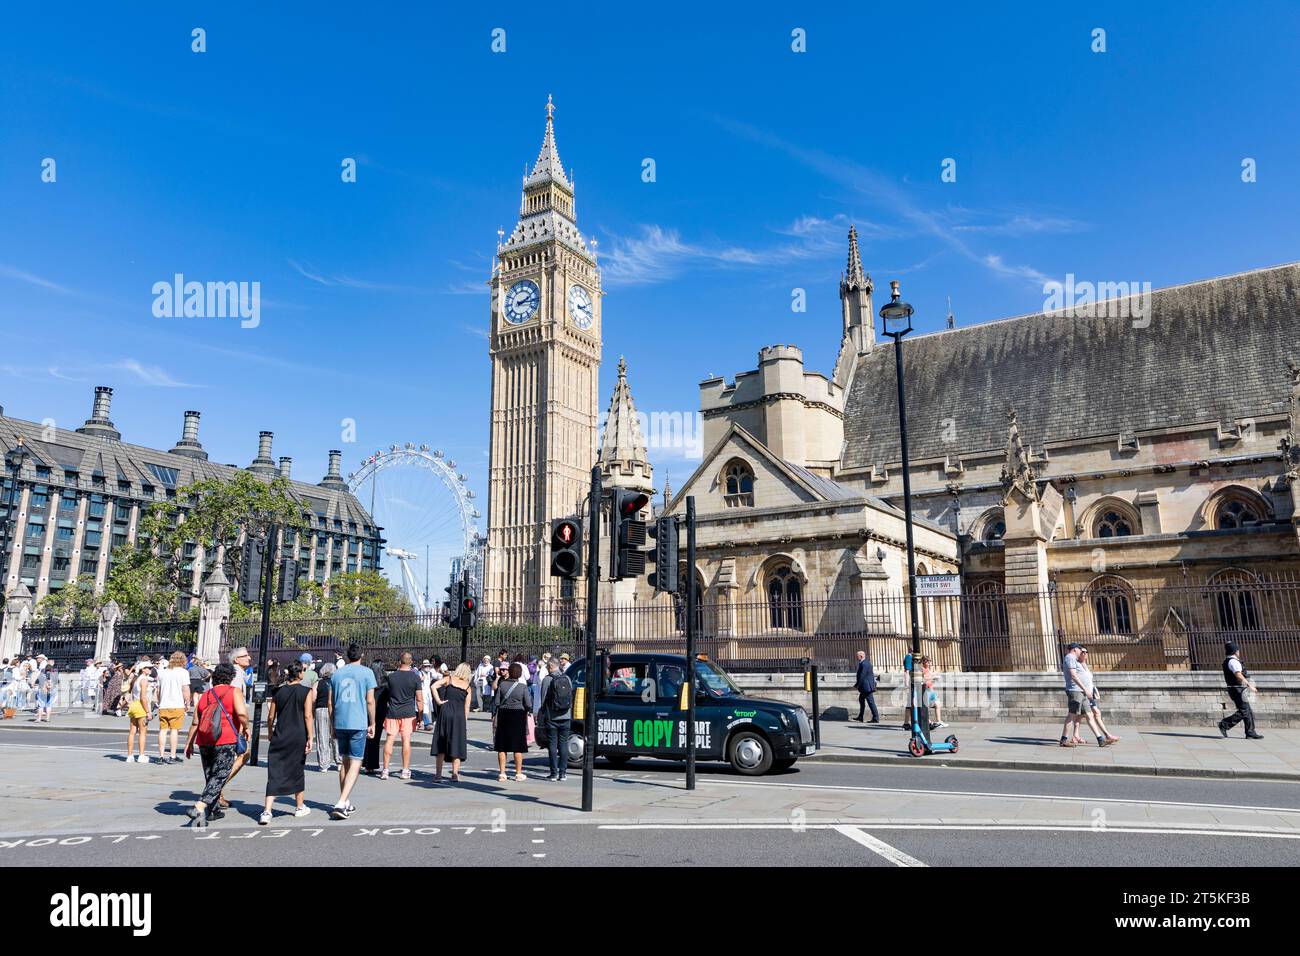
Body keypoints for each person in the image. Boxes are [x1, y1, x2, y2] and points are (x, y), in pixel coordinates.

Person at [184, 663, 247, 828]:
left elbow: (195, 722)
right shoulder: (234, 691)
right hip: (224, 739)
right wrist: (246, 727)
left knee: (210, 775)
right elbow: (241, 713)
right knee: (220, 775)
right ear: (231, 677)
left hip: (204, 740)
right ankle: (200, 806)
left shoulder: (206, 695)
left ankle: (211, 812)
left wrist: (189, 743)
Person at [261, 660, 315, 824]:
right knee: (297, 769)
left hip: (280, 734)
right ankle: (299, 807)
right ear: (299, 673)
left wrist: (270, 732)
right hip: (298, 735)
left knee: (274, 771)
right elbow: (307, 716)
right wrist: (310, 737)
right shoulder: (306, 691)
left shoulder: (278, 691)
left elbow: (271, 716)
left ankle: (267, 811)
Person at [329, 643, 377, 820]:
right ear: (362, 655)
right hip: (357, 720)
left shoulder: (337, 674)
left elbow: (331, 703)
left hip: (341, 719)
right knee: (356, 761)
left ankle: (346, 800)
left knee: (345, 761)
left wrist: (332, 725)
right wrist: (372, 722)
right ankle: (341, 802)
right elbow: (370, 701)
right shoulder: (367, 673)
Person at [217, 646, 254, 807]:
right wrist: (244, 725)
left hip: (224, 721)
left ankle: (217, 790)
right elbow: (234, 699)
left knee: (224, 760)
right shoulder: (237, 674)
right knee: (244, 754)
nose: (249, 658)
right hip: (232, 722)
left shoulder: (235, 672)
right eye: (245, 656)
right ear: (236, 660)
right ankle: (216, 788)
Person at [380, 653, 422, 780]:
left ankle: (385, 770)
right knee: (406, 741)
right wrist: (420, 716)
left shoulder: (391, 677)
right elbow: (419, 699)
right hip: (408, 713)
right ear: (411, 662)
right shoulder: (415, 677)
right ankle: (405, 770)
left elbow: (386, 696)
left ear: (399, 662)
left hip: (393, 712)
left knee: (389, 740)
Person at [431, 663, 471, 782]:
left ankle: (438, 775)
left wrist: (438, 701)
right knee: (456, 744)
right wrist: (464, 721)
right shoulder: (467, 687)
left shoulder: (448, 679)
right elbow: (467, 707)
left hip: (445, 711)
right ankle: (454, 774)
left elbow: (433, 686)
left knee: (441, 743)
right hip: (459, 715)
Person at [1070, 648, 1119, 746]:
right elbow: (1074, 678)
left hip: (1090, 693)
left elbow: (1088, 680)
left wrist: (1094, 690)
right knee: (1094, 713)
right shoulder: (1076, 664)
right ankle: (1106, 735)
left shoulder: (1085, 665)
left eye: (1086, 652)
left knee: (1079, 716)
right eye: (1082, 652)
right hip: (1083, 693)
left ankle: (1076, 736)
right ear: (1078, 653)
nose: (1084, 653)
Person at [493, 662, 531, 782]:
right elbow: (528, 704)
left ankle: (502, 773)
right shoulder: (522, 687)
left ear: (509, 672)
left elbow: (497, 702)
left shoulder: (502, 685)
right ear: (519, 674)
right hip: (518, 716)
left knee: (502, 746)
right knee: (517, 746)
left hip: (504, 715)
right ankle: (518, 773)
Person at [1218, 641, 1264, 739]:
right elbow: (1238, 675)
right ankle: (1224, 724)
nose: (1239, 652)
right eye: (1238, 650)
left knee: (1247, 710)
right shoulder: (1233, 661)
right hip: (1237, 689)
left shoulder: (1229, 660)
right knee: (1244, 711)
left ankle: (1250, 732)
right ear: (1235, 651)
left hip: (1236, 689)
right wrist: (1249, 686)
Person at [538, 657, 573, 781]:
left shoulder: (547, 680)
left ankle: (554, 773)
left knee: (552, 745)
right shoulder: (567, 678)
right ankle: (563, 773)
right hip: (566, 716)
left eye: (548, 666)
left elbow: (542, 700)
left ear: (551, 666)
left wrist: (542, 714)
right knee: (563, 744)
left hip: (552, 717)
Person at [157, 651, 193, 763]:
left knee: (163, 730)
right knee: (174, 730)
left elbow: (158, 690)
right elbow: (185, 689)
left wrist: (159, 701)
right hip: (177, 704)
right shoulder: (183, 672)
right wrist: (188, 703)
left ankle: (161, 756)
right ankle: (172, 756)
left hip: (163, 705)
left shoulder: (162, 672)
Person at [1059, 644, 1088, 748]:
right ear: (1075, 649)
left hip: (1078, 691)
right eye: (1080, 650)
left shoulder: (1071, 658)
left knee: (1081, 715)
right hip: (1075, 690)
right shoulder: (1070, 657)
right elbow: (1073, 675)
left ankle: (1100, 738)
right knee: (1071, 715)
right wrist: (1085, 689)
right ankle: (1064, 739)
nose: (1081, 652)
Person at [313, 662, 339, 772]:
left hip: (320, 710)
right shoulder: (336, 682)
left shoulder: (317, 683)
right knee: (336, 736)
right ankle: (339, 761)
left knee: (322, 737)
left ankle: (324, 764)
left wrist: (312, 712)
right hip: (334, 709)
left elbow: (313, 699)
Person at [124, 663, 153, 763]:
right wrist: (148, 712)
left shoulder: (136, 679)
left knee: (132, 731)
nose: (150, 669)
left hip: (134, 705)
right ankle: (141, 755)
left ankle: (130, 755)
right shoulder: (144, 680)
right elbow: (143, 698)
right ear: (143, 669)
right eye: (148, 668)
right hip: (141, 706)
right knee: (142, 732)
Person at [919, 655, 946, 729]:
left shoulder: (928, 669)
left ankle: (939, 721)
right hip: (926, 690)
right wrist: (932, 677)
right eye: (927, 661)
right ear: (923, 661)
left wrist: (934, 677)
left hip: (931, 690)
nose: (929, 662)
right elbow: (922, 679)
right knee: (926, 707)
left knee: (938, 704)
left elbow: (929, 678)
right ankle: (928, 722)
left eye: (929, 661)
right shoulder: (921, 669)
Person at [853, 650, 879, 723]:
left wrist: (858, 684)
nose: (856, 657)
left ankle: (876, 718)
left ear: (861, 656)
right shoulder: (865, 663)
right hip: (865, 686)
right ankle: (860, 717)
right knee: (861, 700)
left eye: (857, 656)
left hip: (866, 687)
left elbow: (862, 675)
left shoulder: (864, 664)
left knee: (871, 702)